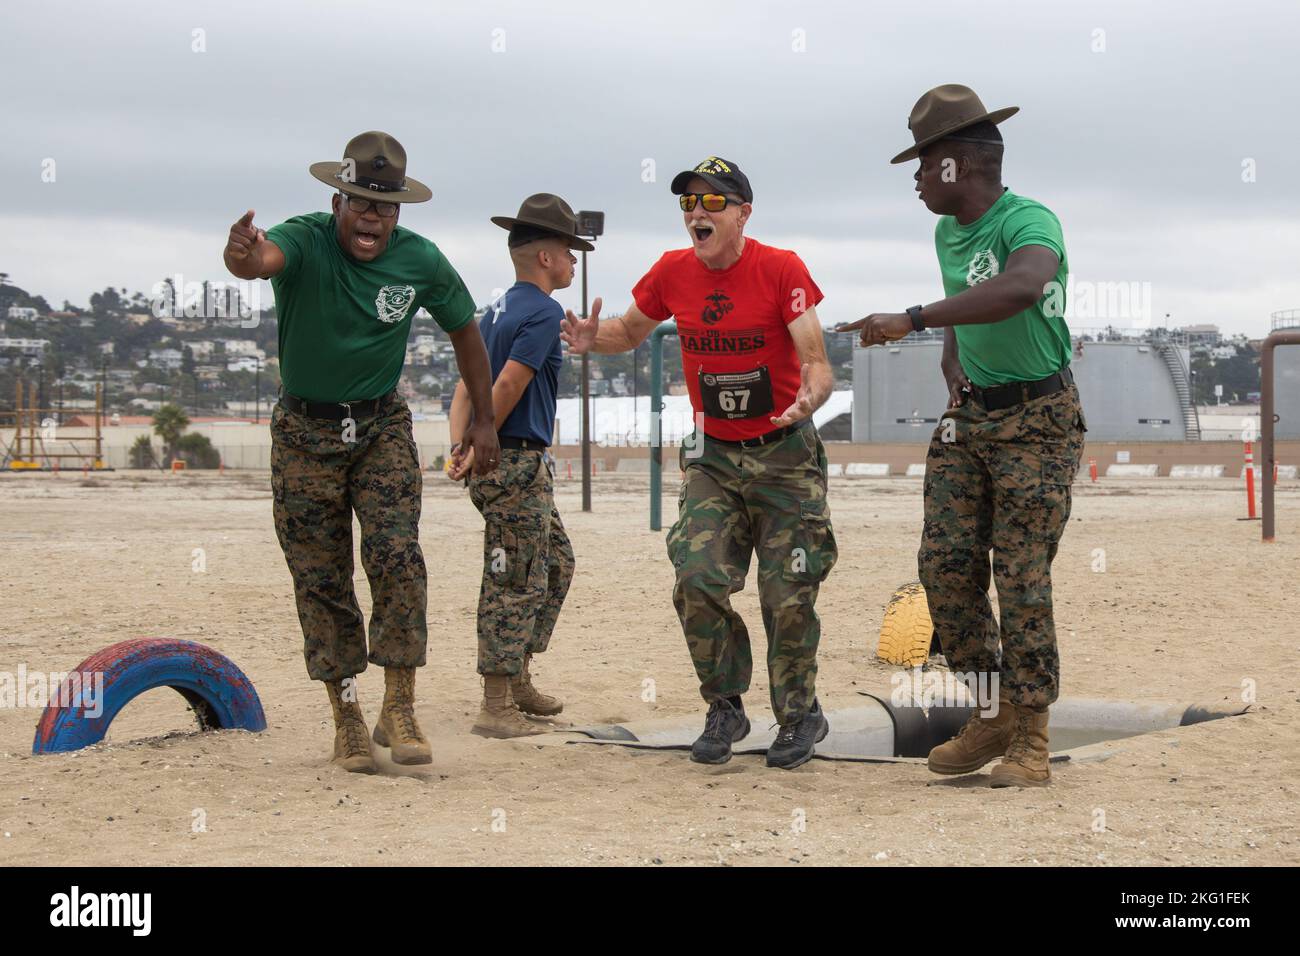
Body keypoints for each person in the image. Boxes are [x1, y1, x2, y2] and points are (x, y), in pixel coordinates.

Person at [223, 131, 499, 773]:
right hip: (303, 434)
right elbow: (261, 261)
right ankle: (346, 715)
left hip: (380, 427)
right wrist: (239, 256)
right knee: (320, 578)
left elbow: (465, 330)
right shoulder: (304, 237)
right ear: (337, 200)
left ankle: (398, 705)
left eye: (386, 206)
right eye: (360, 203)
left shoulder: (420, 260)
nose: (373, 217)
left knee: (398, 556)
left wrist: (484, 421)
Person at [841, 85, 1086, 787]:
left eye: (923, 164)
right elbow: (970, 299)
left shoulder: (1029, 220)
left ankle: (1032, 736)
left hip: (1037, 421)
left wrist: (912, 318)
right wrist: (952, 356)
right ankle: (992, 712)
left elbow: (1022, 286)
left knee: (1020, 573)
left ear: (957, 166)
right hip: (971, 418)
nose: (917, 179)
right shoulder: (948, 232)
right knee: (945, 567)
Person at [561, 157, 837, 770]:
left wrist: (811, 396)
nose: (696, 213)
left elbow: (816, 360)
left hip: (784, 457)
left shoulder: (781, 268)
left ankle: (799, 714)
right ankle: (726, 706)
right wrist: (589, 337)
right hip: (714, 456)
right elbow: (629, 331)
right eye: (688, 203)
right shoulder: (671, 271)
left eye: (712, 203)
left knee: (786, 589)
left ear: (743, 213)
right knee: (697, 575)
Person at [447, 194, 582, 738]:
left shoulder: (496, 309)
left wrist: (459, 446)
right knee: (515, 577)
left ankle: (518, 671)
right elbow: (507, 385)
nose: (574, 261)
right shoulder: (544, 312)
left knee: (556, 562)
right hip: (514, 458)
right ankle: (496, 705)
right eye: (570, 252)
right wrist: (478, 446)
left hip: (501, 458)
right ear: (547, 257)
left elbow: (464, 386)